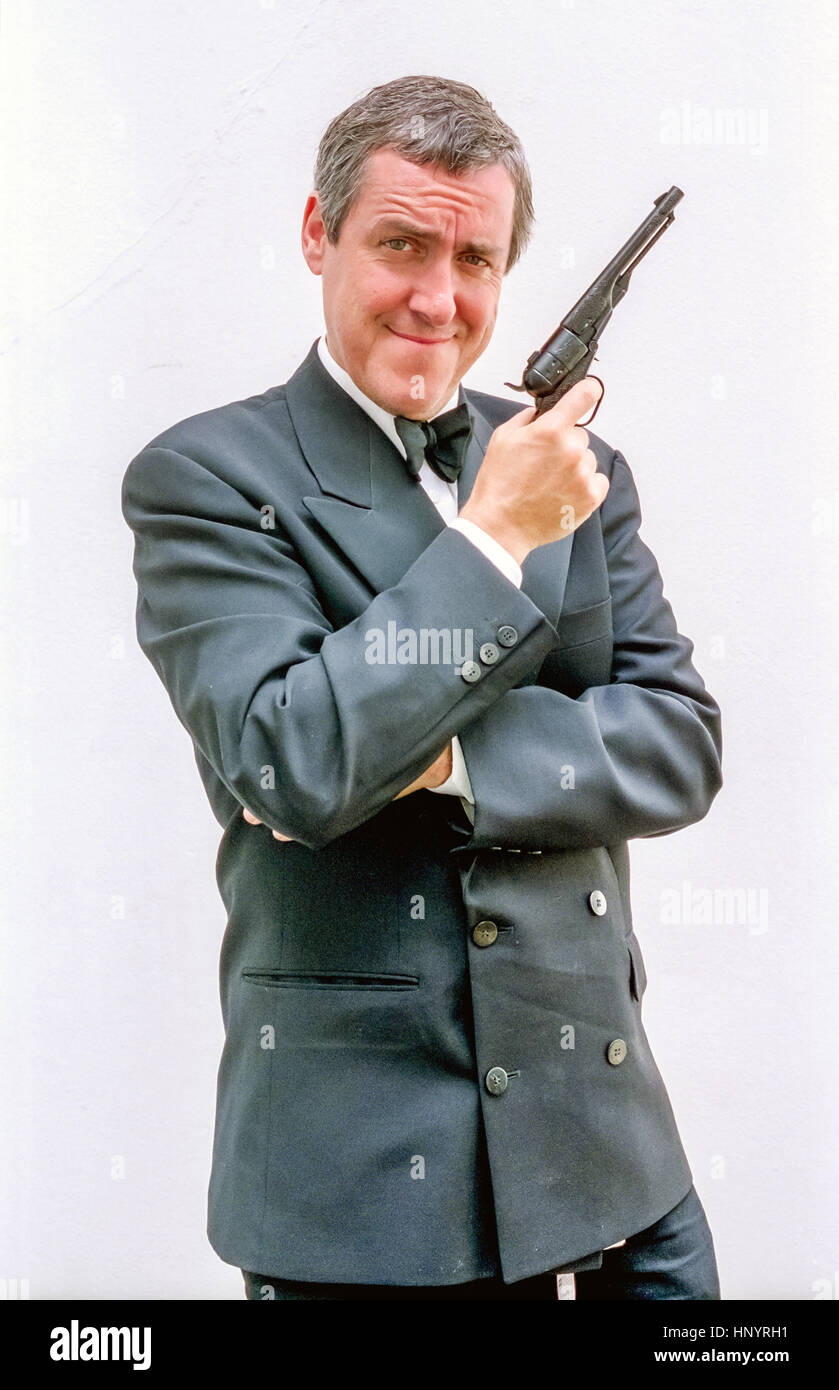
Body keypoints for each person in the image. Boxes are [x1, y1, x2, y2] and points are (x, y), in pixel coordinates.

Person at [121, 75, 723, 1300]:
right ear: (318, 233)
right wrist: (491, 541)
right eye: (400, 243)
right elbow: (294, 758)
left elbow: (677, 744)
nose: (438, 299)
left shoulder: (578, 468)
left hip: (613, 1157)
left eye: (474, 259)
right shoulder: (203, 476)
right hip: (363, 1189)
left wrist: (437, 754)